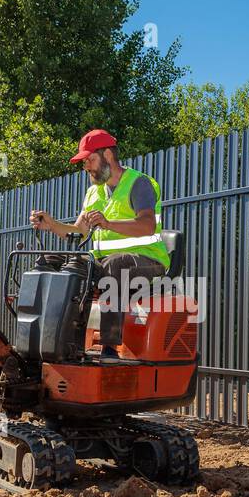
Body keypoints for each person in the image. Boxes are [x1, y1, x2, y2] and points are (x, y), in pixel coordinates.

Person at [29, 129, 169, 359]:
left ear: (108, 155)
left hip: (148, 261)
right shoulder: (94, 192)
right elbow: (79, 231)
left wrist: (108, 223)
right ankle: (62, 345)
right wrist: (51, 225)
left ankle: (109, 348)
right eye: (84, 162)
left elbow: (147, 225)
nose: (86, 167)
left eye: (90, 160)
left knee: (115, 265)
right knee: (61, 265)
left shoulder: (139, 183)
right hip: (105, 262)